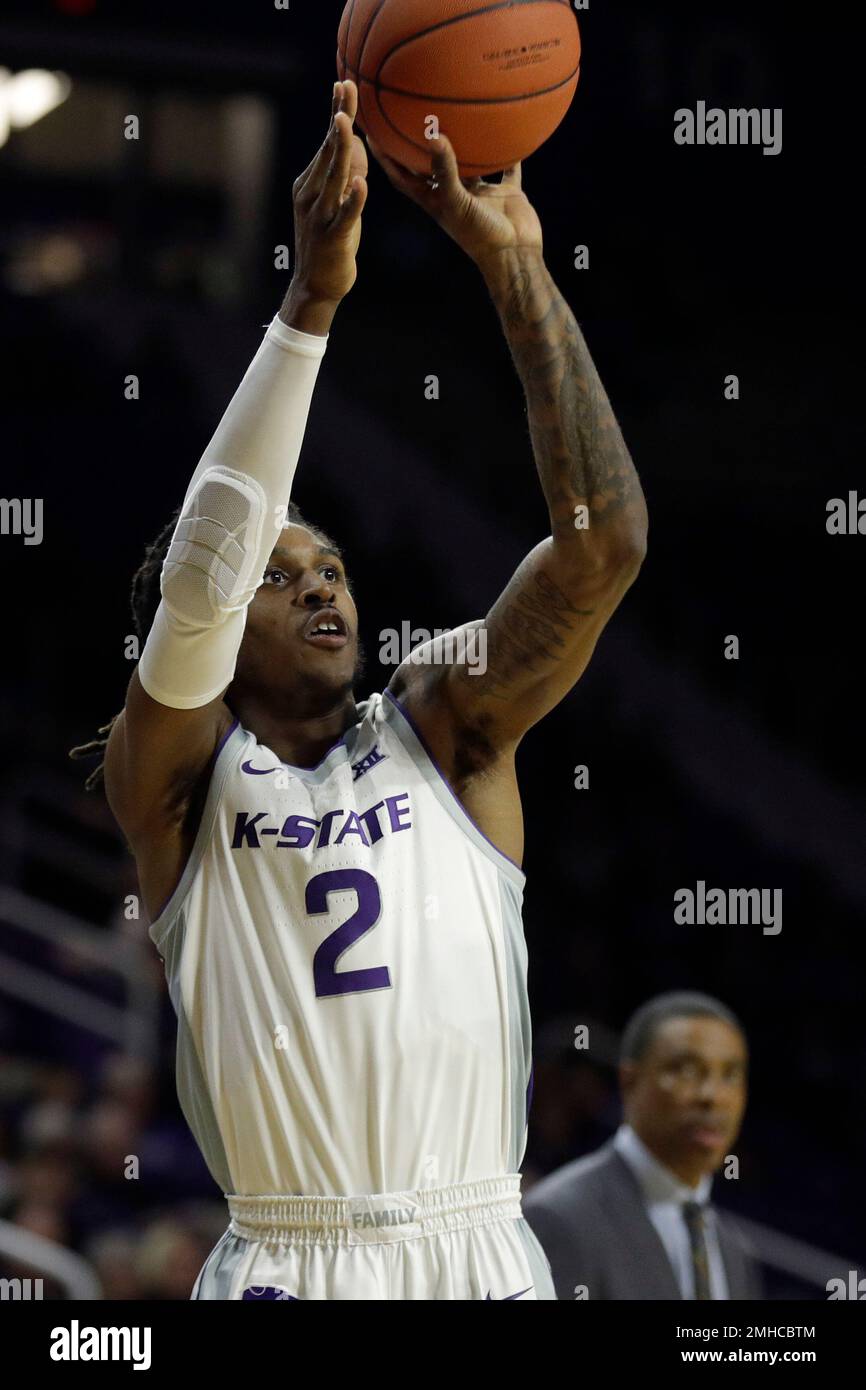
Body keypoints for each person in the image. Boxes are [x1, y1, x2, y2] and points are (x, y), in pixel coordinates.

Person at [73, 79, 648, 1300]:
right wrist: (309, 300)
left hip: (480, 1244)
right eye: (284, 582)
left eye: (331, 566)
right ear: (222, 636)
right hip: (295, 1258)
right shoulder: (175, 781)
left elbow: (600, 548)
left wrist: (516, 276)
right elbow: (209, 558)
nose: (323, 587)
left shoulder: (445, 722)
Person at [524, 992, 763, 1300]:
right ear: (629, 1082)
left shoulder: (733, 1252)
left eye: (730, 1075)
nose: (712, 1096)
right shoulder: (559, 1218)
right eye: (687, 1071)